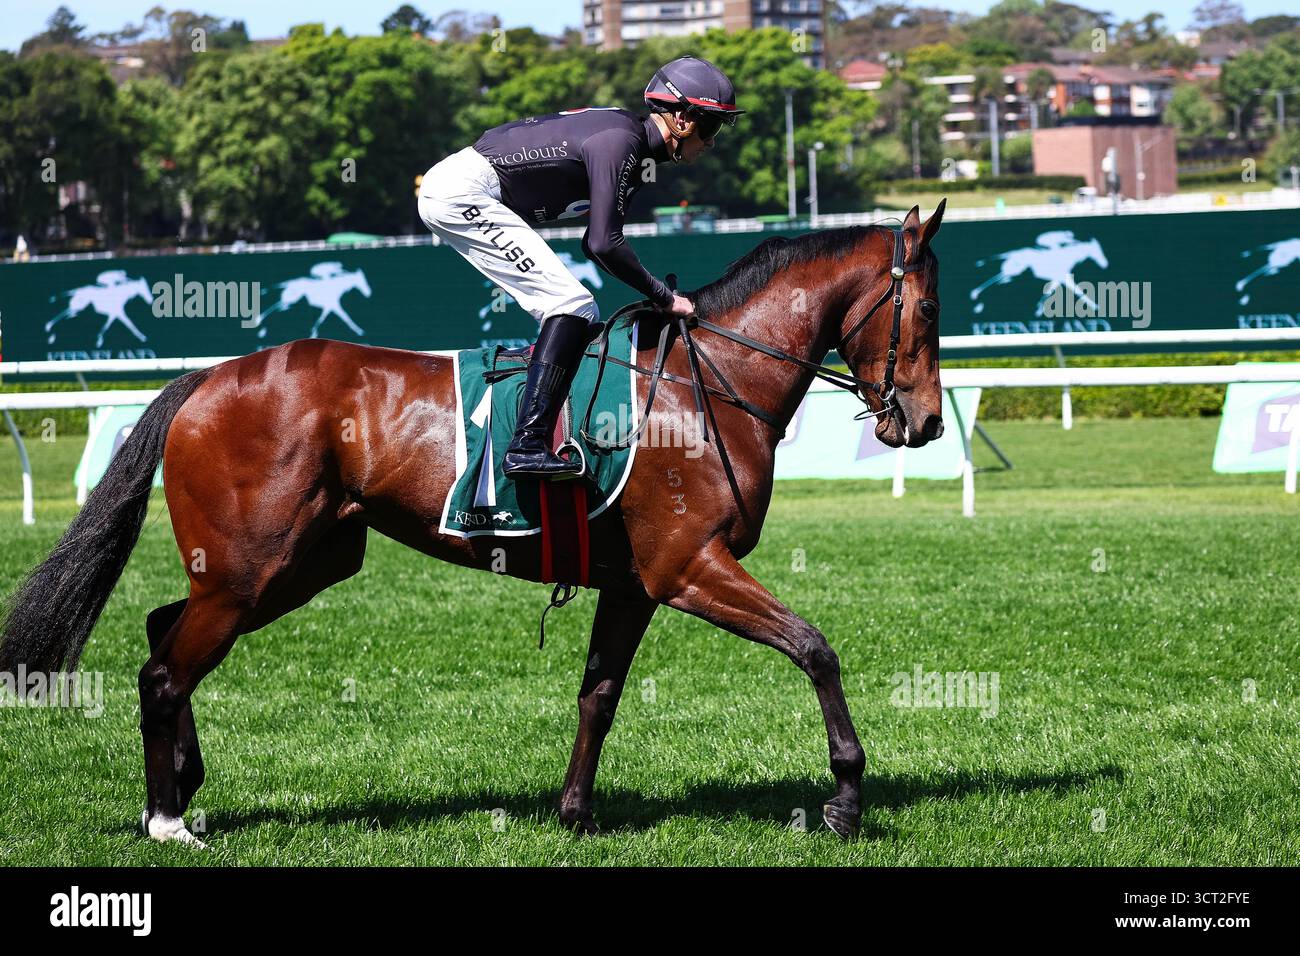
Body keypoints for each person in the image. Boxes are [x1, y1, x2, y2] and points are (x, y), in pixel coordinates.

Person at [418, 56, 743, 477]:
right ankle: (526, 445)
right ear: (681, 119)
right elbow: (602, 243)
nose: (713, 141)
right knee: (570, 304)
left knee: (578, 316)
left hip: (468, 188)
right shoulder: (621, 142)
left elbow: (597, 243)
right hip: (462, 192)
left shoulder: (633, 147)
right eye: (712, 126)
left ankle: (552, 426)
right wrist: (665, 298)